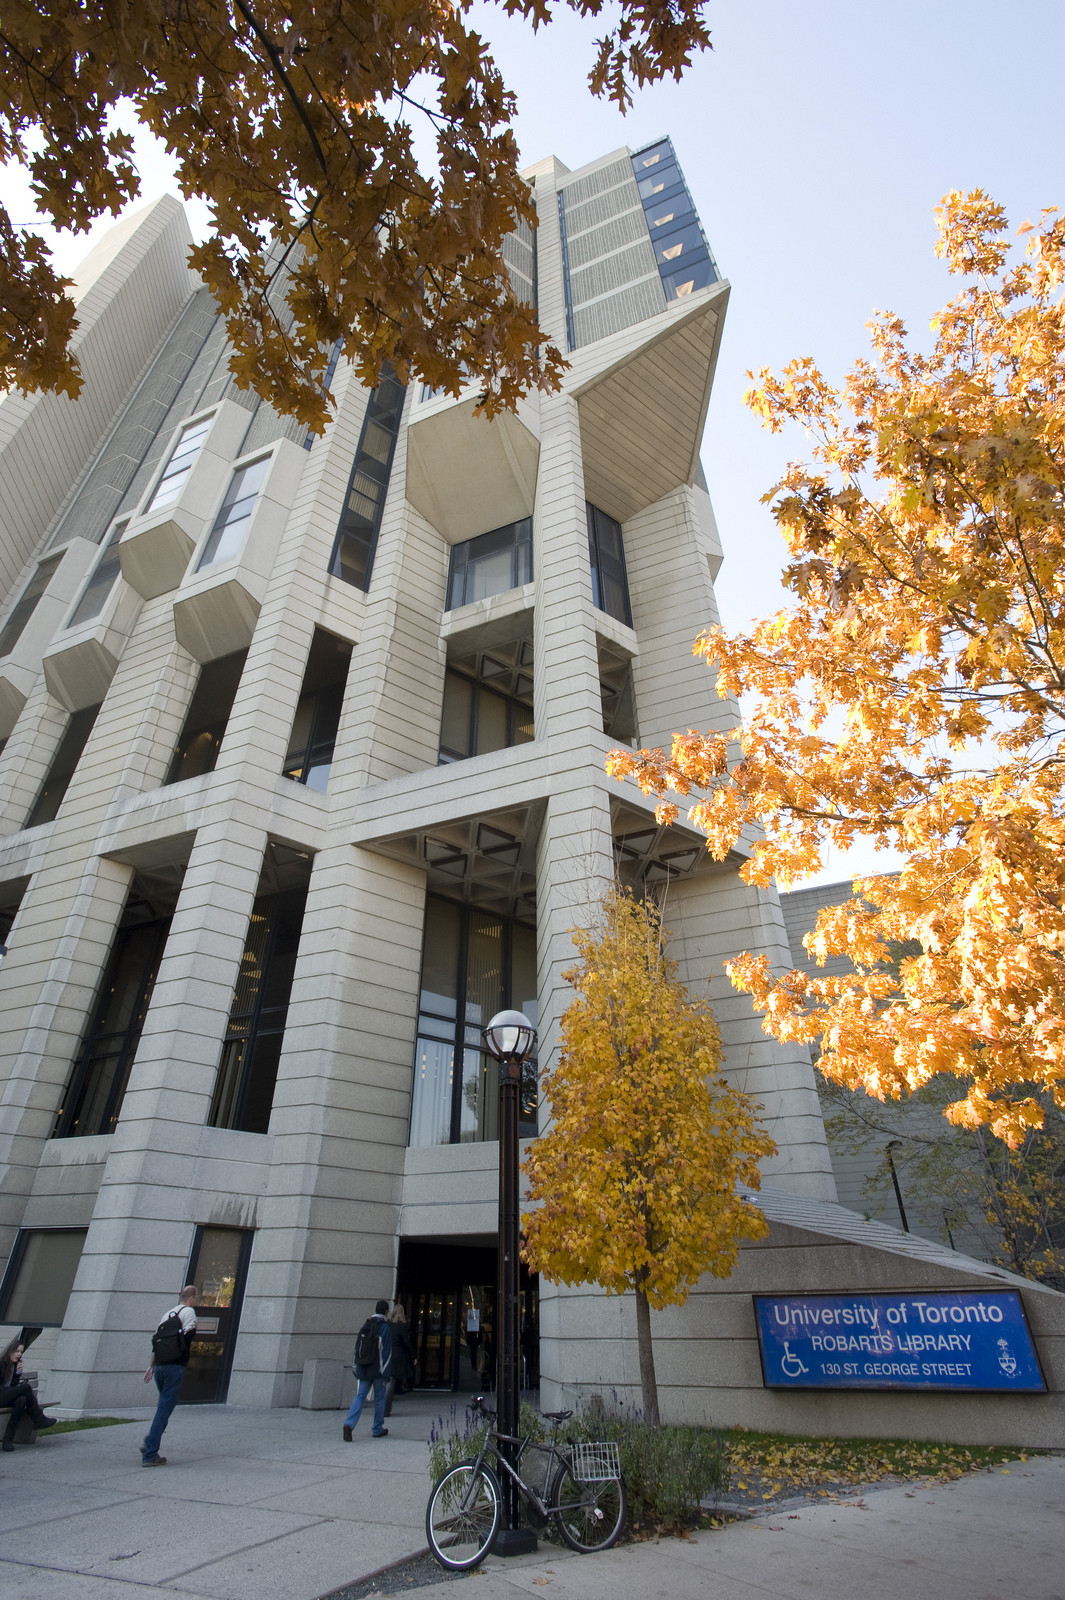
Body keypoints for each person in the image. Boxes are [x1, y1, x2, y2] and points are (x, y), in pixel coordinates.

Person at [141, 1284, 198, 1466]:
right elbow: (188, 1339)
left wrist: (151, 1366)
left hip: (160, 1368)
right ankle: (150, 1453)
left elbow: (156, 1343)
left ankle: (151, 1441)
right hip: (175, 1367)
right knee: (163, 1410)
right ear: (192, 1298)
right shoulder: (189, 1313)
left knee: (164, 1408)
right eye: (196, 1298)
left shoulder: (168, 1314)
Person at [343, 1299, 392, 1441]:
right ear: (386, 1311)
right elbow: (386, 1353)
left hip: (363, 1368)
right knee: (379, 1398)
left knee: (360, 1397)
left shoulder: (366, 1324)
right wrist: (386, 1374)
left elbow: (357, 1348)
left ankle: (349, 1423)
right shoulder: (384, 1327)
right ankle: (377, 1428)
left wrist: (356, 1368)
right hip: (377, 1370)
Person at [0, 1337, 57, 1451]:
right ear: (10, 1351)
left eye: (21, 1352)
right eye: (17, 1351)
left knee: (21, 1399)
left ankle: (8, 1440)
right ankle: (38, 1418)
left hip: (4, 1396)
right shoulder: (2, 1364)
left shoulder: (14, 1366)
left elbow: (12, 1388)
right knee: (26, 1388)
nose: (19, 1354)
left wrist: (17, 1374)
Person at [388, 1304, 417, 1396]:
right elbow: (406, 1343)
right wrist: (413, 1356)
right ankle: (397, 1390)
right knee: (397, 1374)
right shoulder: (402, 1326)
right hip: (398, 1354)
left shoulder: (388, 1324)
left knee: (391, 1375)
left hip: (388, 1353)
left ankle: (392, 1390)